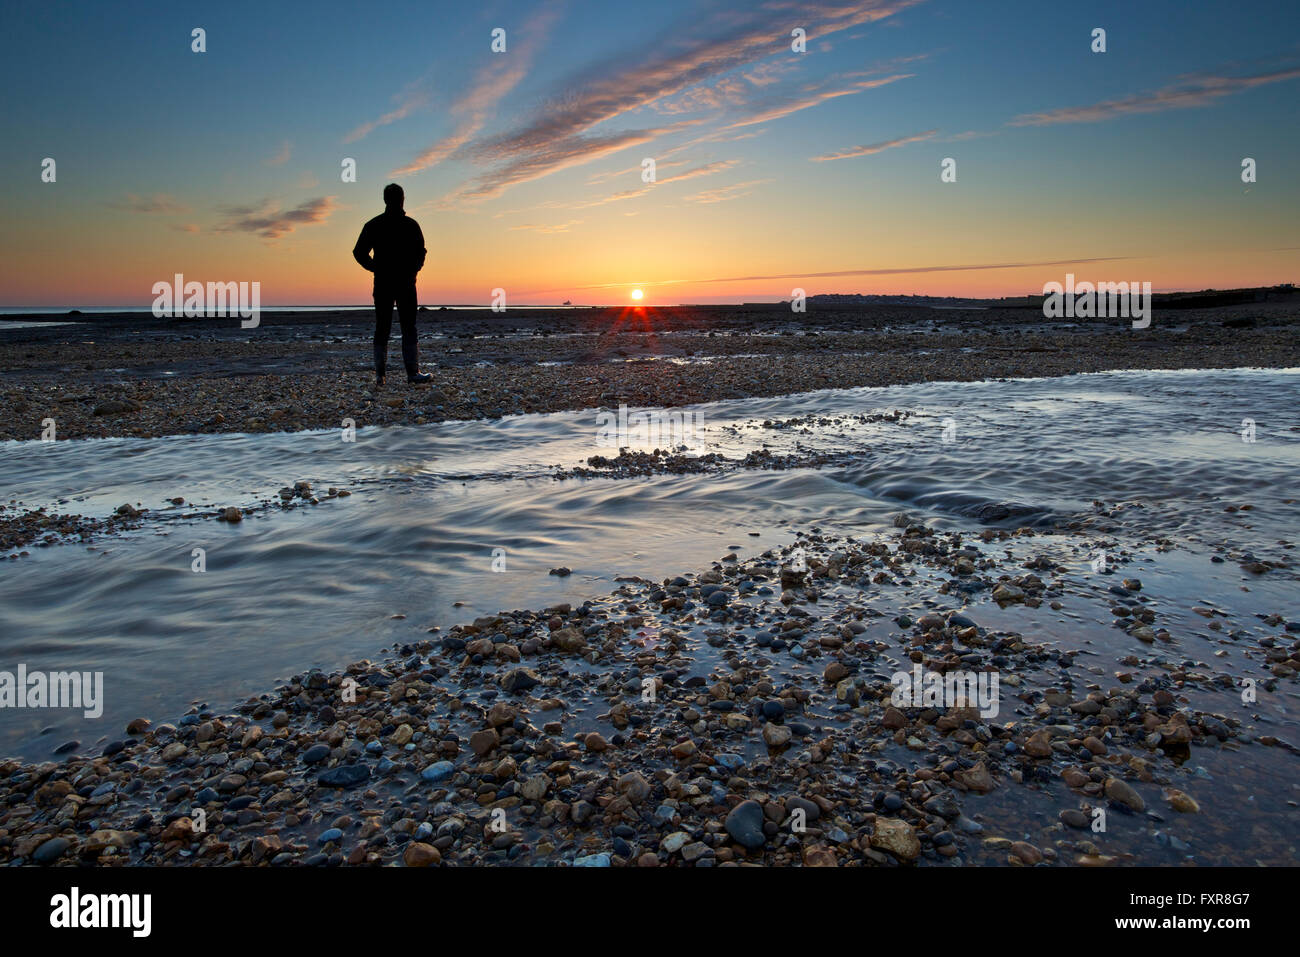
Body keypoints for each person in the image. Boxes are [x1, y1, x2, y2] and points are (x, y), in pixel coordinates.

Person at [352, 183, 432, 387]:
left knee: (386, 328)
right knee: (403, 327)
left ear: (386, 199)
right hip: (398, 282)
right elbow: (359, 252)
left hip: (391, 282)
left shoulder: (378, 224)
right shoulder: (407, 224)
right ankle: (406, 374)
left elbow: (420, 252)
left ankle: (383, 376)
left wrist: (377, 268)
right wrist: (376, 268)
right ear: (401, 199)